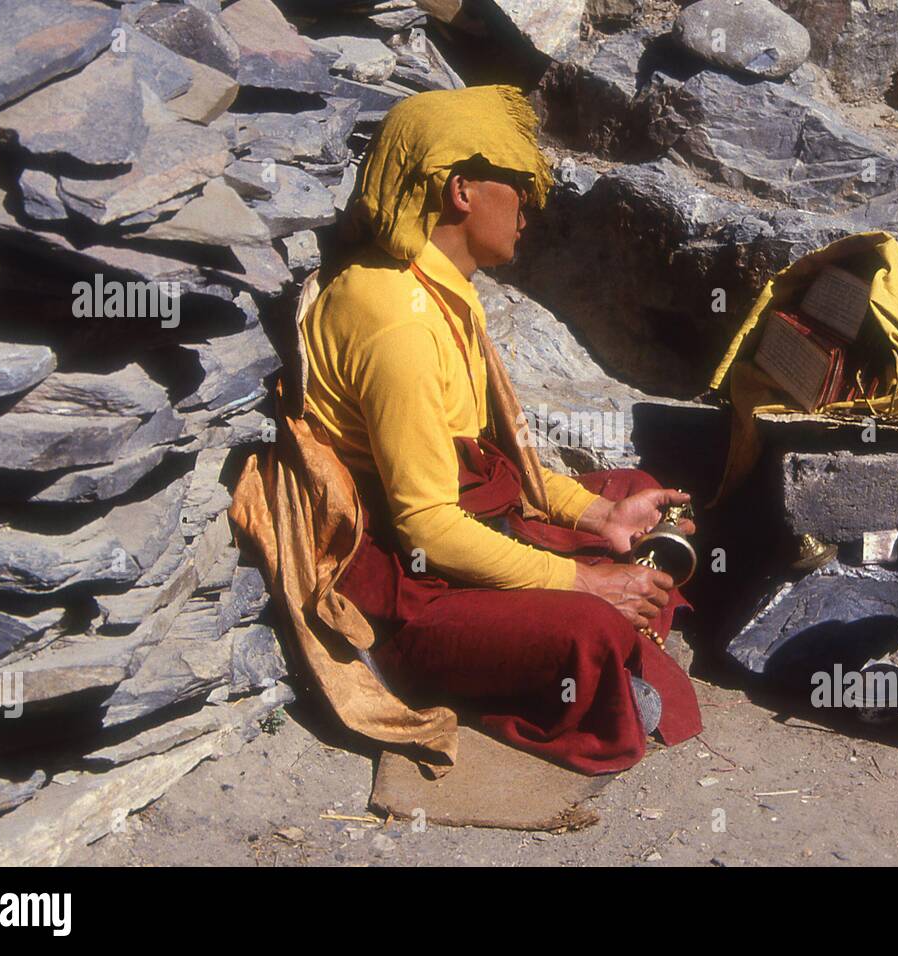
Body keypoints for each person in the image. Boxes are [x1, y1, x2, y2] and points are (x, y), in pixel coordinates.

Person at [300, 85, 701, 774]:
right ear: (461, 190)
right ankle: (573, 666)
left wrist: (603, 514)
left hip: (481, 527)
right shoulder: (397, 324)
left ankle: (591, 643)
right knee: (592, 626)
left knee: (639, 493)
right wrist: (581, 582)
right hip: (412, 598)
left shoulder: (444, 292)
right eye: (518, 186)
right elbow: (427, 529)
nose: (530, 208)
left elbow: (499, 464)